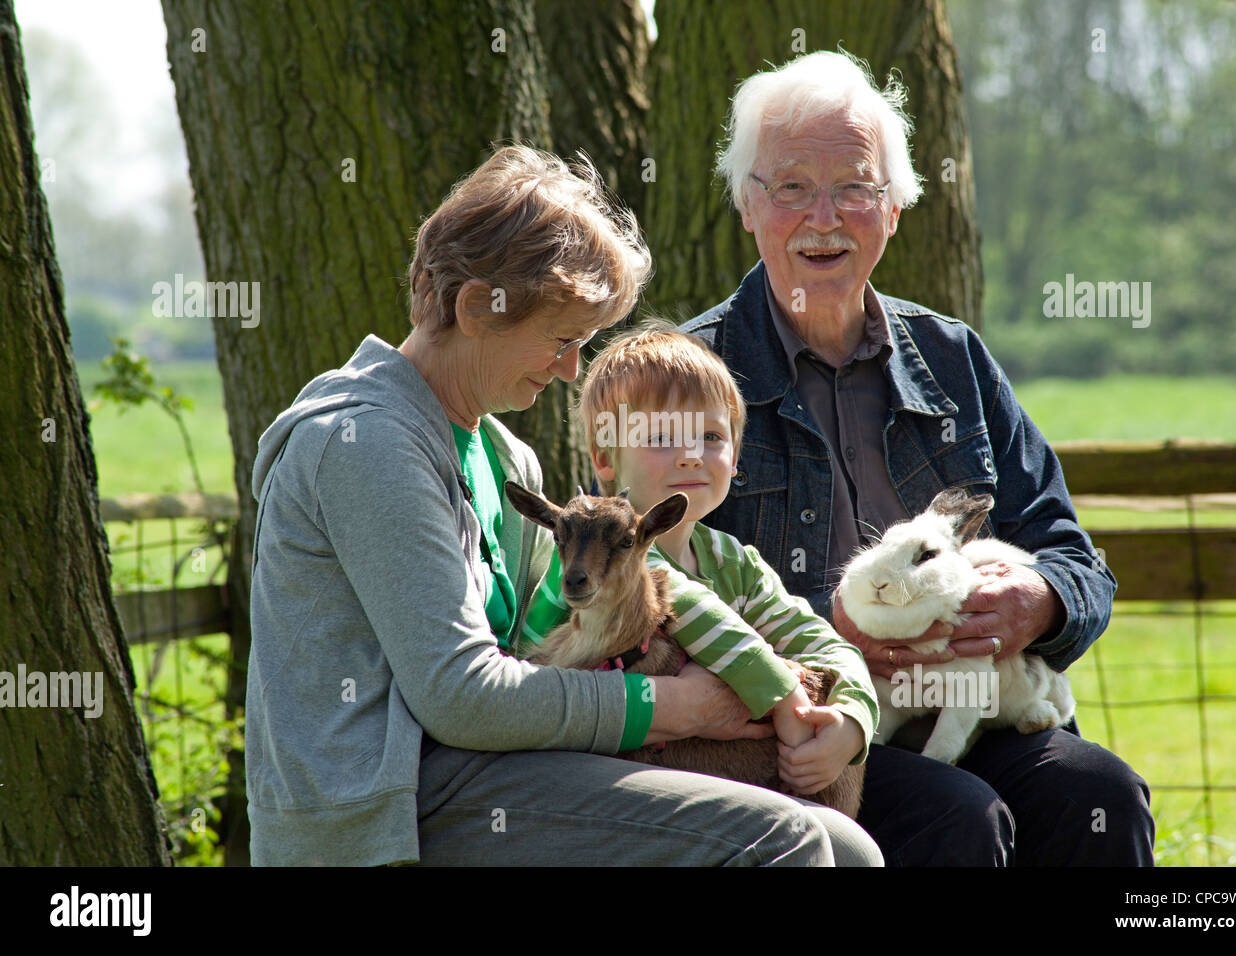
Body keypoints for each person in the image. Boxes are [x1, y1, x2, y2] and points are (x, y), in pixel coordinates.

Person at [245, 144, 875, 866]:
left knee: (846, 847)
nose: (573, 368)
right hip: (385, 809)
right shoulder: (365, 443)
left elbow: (546, 647)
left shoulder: (506, 458)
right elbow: (461, 694)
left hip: (483, 771)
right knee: (784, 843)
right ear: (480, 307)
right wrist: (676, 708)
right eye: (564, 338)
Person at [680, 50, 1155, 865]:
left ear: (894, 208)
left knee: (1100, 794)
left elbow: (1073, 555)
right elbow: (650, 594)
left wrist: (1041, 601)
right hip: (795, 736)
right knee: (956, 817)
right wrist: (821, 635)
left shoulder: (953, 358)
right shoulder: (689, 378)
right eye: (791, 186)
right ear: (748, 208)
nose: (824, 217)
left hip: (971, 705)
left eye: (857, 187)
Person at [522, 326, 880, 820]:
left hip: (760, 777)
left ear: (735, 458)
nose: (691, 453)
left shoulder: (737, 564)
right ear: (605, 457)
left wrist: (852, 721)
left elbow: (819, 641)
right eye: (662, 436)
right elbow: (675, 602)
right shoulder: (589, 565)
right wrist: (783, 697)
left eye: (711, 436)